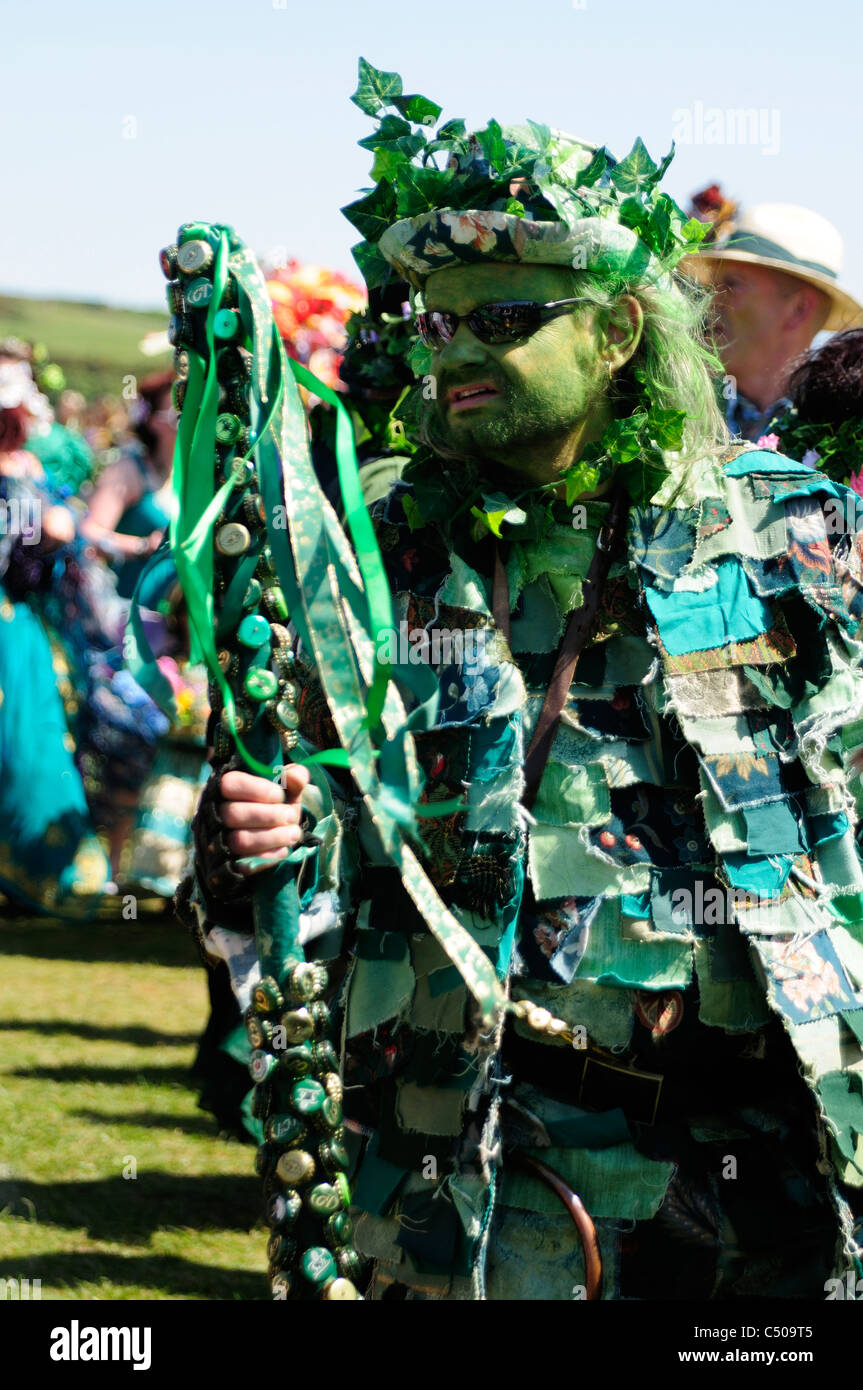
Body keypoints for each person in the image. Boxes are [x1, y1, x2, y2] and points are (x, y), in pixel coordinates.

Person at [182, 70, 863, 1302]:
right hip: (467, 1179)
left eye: (499, 319)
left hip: (744, 1182)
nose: (454, 354)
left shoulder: (789, 538)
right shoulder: (375, 553)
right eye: (435, 323)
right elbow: (311, 818)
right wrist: (251, 835)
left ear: (612, 332)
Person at [688, 203, 863, 441]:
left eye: (732, 286)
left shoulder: (846, 433)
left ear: (798, 310)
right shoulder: (677, 409)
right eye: (712, 286)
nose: (709, 303)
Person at [81, 370, 174, 599]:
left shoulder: (193, 475)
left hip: (171, 622)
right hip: (124, 614)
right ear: (152, 421)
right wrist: (143, 546)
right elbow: (88, 533)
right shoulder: (129, 470)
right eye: (178, 412)